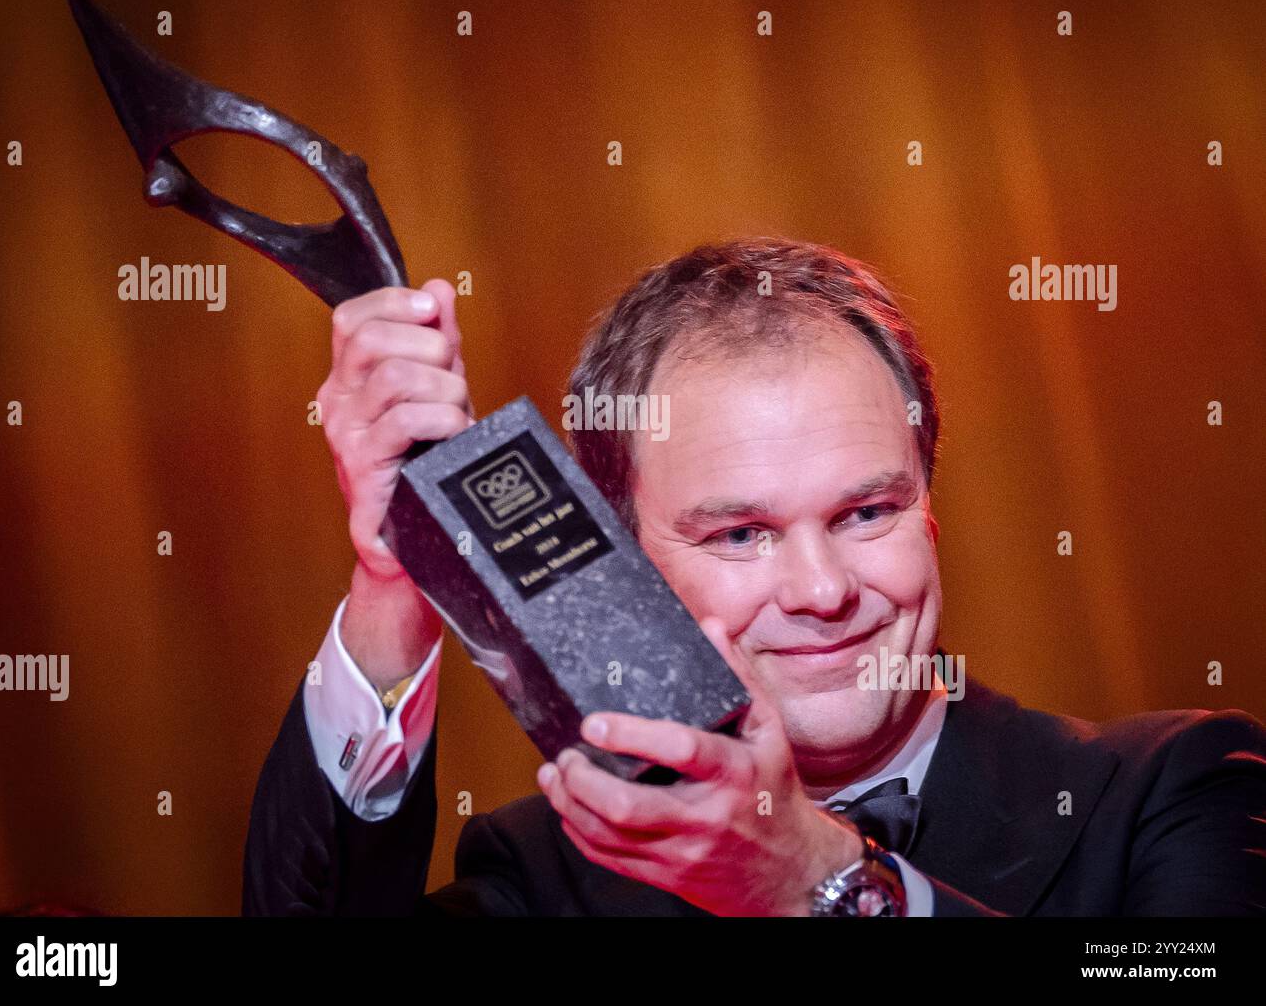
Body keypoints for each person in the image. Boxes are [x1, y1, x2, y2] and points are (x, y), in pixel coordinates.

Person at [242, 237, 1266, 916]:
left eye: (865, 513)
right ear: (628, 572)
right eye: (740, 534)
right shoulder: (539, 876)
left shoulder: (1171, 791)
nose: (820, 590)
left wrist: (814, 877)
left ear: (928, 513)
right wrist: (394, 578)